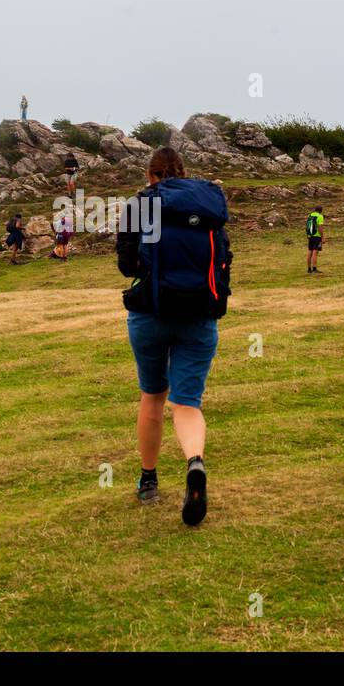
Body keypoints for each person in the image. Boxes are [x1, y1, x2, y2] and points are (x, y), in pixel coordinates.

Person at [117, 147, 232, 527]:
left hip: (149, 314)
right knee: (187, 403)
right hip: (199, 317)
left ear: (151, 176)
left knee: (152, 396)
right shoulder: (210, 208)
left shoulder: (140, 205)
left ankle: (148, 480)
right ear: (183, 173)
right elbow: (224, 261)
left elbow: (125, 266)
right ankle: (194, 462)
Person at [305, 205, 325, 273]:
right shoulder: (320, 216)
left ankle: (309, 268)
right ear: (321, 210)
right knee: (315, 252)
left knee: (310, 251)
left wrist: (308, 235)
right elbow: (320, 227)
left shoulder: (310, 215)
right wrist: (322, 237)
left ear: (315, 209)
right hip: (317, 236)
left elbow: (307, 225)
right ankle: (314, 268)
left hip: (310, 235)